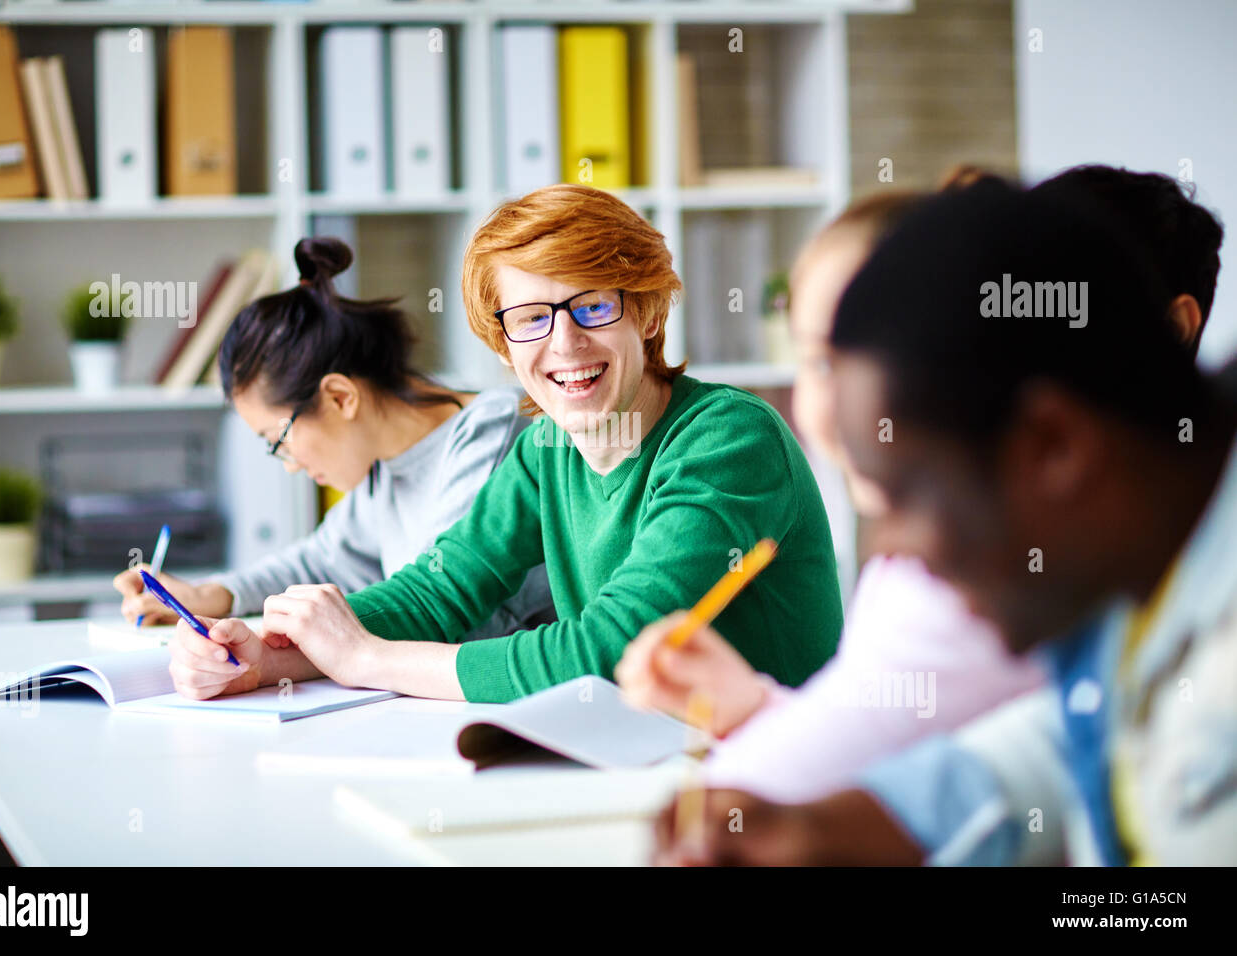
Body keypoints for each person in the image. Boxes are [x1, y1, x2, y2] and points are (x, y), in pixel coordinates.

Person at [653, 179, 1237, 866]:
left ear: (1055, 448)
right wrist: (835, 830)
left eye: (908, 496)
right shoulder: (1136, 563)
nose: (890, 547)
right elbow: (1071, 740)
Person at [163, 185, 845, 704]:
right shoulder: (544, 449)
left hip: (766, 785)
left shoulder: (728, 438)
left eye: (593, 306)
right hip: (632, 758)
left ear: (645, 311)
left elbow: (611, 648)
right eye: (530, 319)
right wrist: (266, 654)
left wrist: (364, 660)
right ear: (505, 343)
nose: (565, 342)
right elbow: (437, 594)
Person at [113, 236, 555, 642]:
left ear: (340, 396)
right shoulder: (385, 466)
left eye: (278, 438)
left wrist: (276, 639)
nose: (289, 463)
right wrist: (211, 594)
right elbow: (318, 560)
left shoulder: (491, 432)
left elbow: (438, 605)